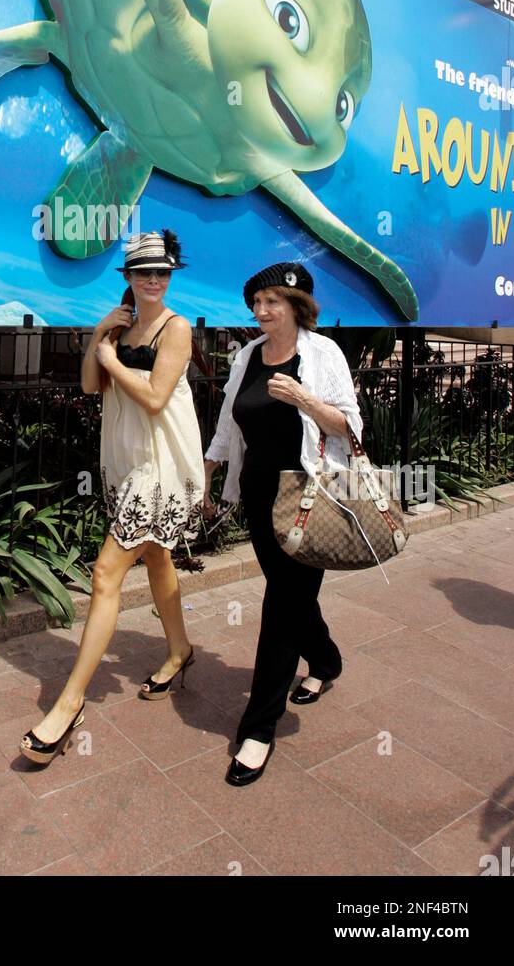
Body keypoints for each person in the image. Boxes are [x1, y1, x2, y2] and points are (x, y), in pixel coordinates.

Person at [19, 230, 205, 765]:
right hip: (125, 458)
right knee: (157, 555)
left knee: (105, 574)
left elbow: (153, 397)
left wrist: (112, 358)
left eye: (162, 273)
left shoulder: (177, 328)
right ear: (128, 277)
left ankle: (70, 702)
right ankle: (178, 650)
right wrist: (101, 335)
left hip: (159, 461)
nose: (153, 280)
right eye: (144, 272)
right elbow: (87, 386)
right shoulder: (121, 325)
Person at [203, 262, 363, 786]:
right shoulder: (248, 356)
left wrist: (307, 401)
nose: (262, 310)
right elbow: (230, 423)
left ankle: (258, 728)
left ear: (297, 306)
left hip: (309, 495)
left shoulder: (323, 354)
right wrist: (207, 476)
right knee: (290, 595)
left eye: (273, 301)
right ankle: (326, 660)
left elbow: (351, 427)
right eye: (257, 302)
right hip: (258, 495)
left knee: (281, 605)